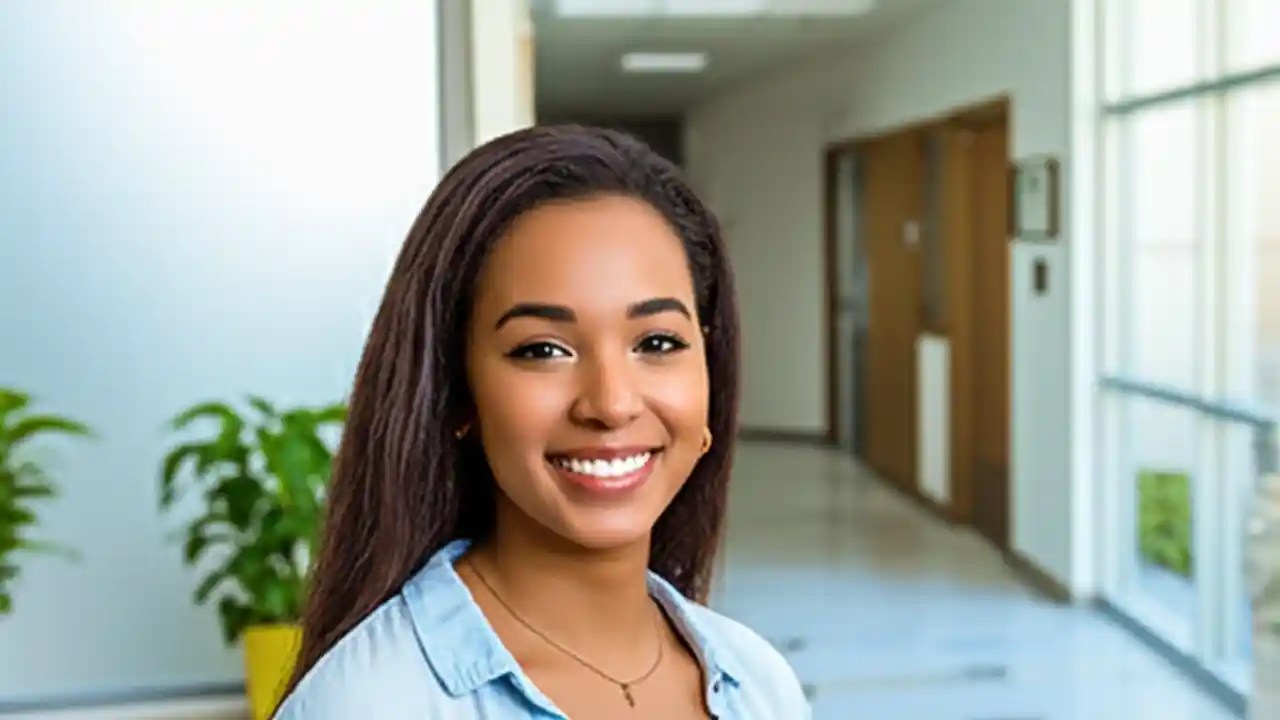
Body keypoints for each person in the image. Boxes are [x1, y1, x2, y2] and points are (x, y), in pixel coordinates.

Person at [272, 124, 810, 719]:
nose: (611, 403)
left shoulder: (759, 685)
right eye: (542, 350)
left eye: (657, 341)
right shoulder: (371, 703)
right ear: (458, 394)